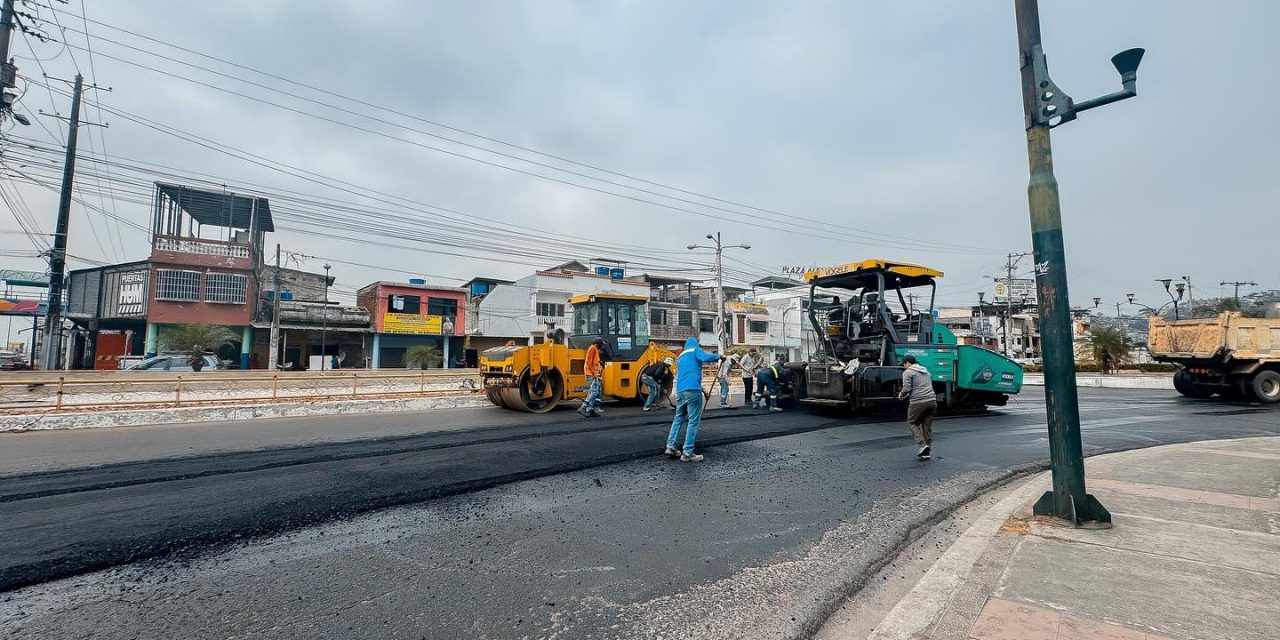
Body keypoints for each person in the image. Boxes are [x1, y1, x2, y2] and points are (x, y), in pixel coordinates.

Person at [664, 337, 720, 462]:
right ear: (696, 344)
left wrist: (704, 390)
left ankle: (670, 446)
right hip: (693, 391)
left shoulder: (681, 357)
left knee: (678, 418)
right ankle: (688, 452)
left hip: (681, 391)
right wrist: (719, 356)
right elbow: (706, 358)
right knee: (693, 422)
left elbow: (688, 375)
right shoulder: (695, 350)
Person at [898, 355, 937, 460]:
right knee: (926, 425)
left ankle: (923, 445)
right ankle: (927, 451)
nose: (904, 367)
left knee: (912, 422)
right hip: (932, 401)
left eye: (904, 365)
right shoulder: (926, 371)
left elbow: (906, 388)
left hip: (918, 402)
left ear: (907, 363)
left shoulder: (908, 372)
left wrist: (901, 395)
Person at [579, 338, 607, 417]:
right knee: (594, 392)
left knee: (595, 391)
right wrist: (594, 374)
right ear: (598, 344)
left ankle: (591, 410)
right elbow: (589, 363)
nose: (602, 346)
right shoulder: (592, 348)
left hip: (593, 374)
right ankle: (584, 407)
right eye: (601, 344)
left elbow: (594, 363)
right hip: (591, 374)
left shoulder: (594, 349)